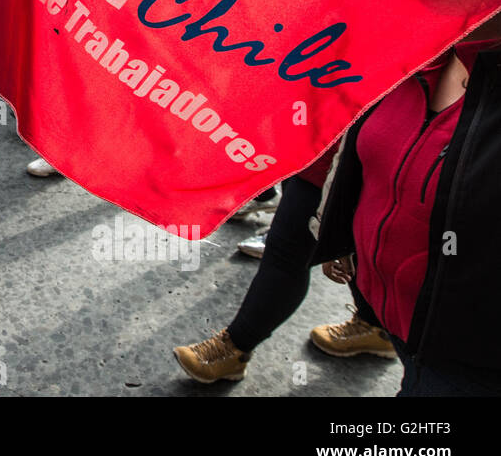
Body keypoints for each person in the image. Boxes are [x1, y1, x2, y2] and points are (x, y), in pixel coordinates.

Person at [312, 17, 501, 396]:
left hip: (470, 356)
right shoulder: (415, 45)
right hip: (394, 315)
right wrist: (336, 230)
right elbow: (361, 152)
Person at [170, 142, 396, 383]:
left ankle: (234, 349)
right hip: (323, 144)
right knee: (354, 244)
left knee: (289, 252)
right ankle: (376, 326)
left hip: (342, 155)